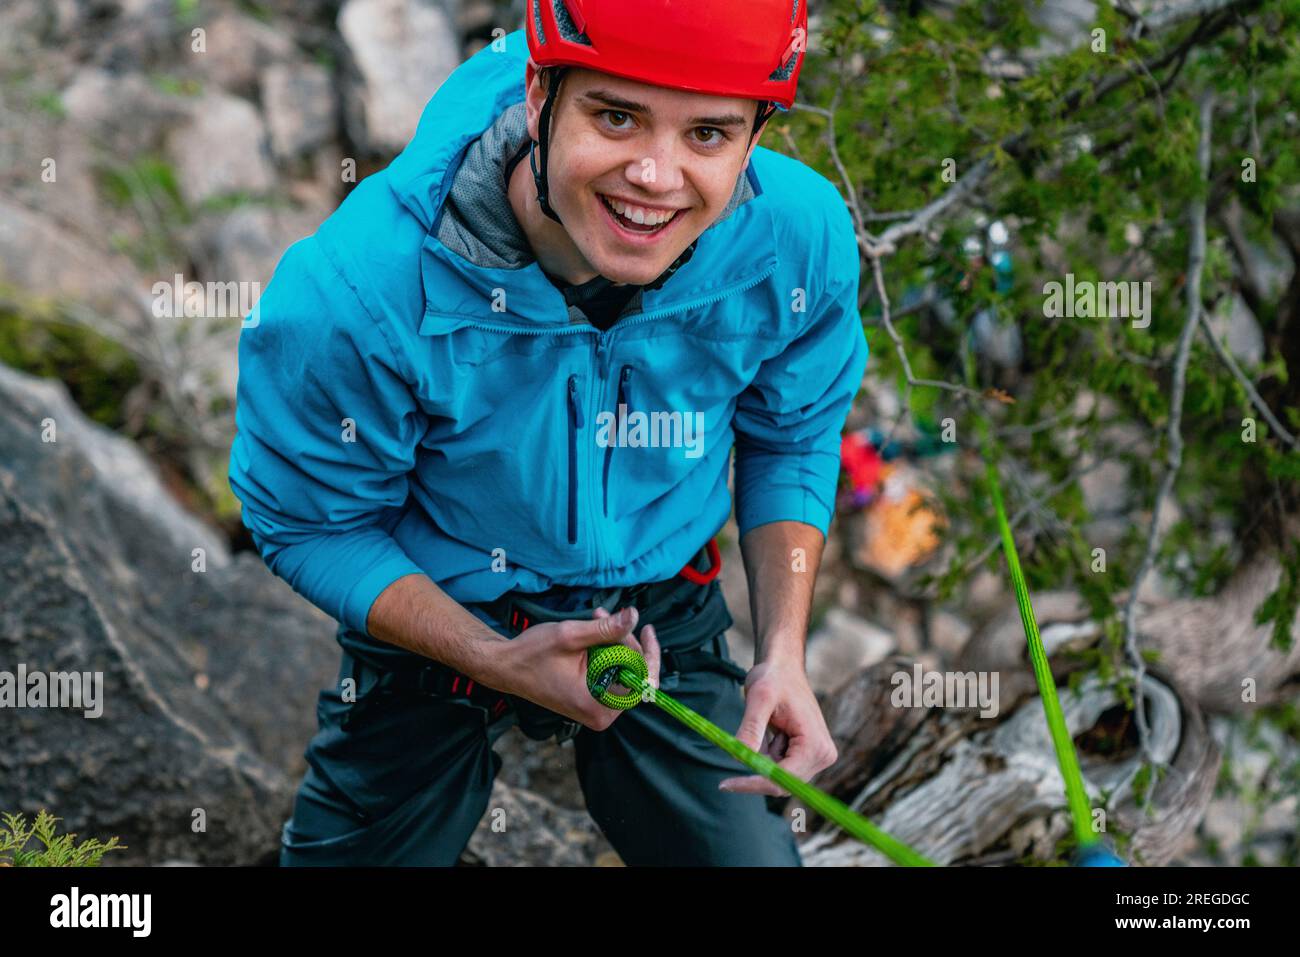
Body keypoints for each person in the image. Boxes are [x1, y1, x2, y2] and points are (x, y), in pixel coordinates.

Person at [228, 0, 869, 866]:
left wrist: (783, 653)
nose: (656, 174)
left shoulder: (795, 241)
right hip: (438, 604)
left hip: (656, 606)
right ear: (539, 97)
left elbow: (790, 435)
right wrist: (494, 657)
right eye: (616, 115)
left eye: (709, 135)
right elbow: (313, 523)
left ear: (754, 137)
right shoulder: (359, 290)